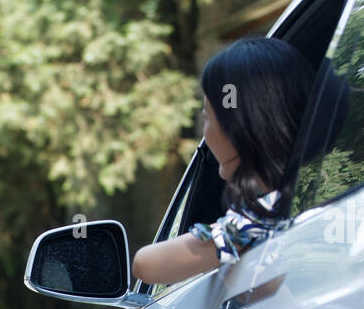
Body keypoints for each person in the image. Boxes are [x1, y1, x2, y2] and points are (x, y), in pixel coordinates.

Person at [131, 36, 316, 285]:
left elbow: (146, 264)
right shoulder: (310, 193)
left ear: (237, 127)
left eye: (207, 116)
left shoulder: (260, 220)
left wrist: (222, 235)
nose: (205, 135)